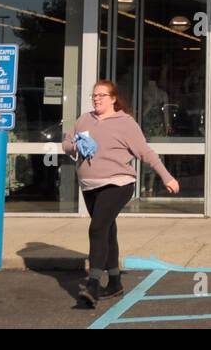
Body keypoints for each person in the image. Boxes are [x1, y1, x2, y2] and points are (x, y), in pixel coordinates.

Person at [63, 80, 180, 307]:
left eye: (102, 96)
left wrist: (167, 177)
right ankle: (115, 282)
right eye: (94, 95)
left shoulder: (125, 123)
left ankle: (94, 284)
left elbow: (145, 152)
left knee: (97, 228)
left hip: (118, 183)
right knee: (107, 230)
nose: (97, 99)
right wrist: (76, 146)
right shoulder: (84, 119)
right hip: (89, 185)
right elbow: (66, 143)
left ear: (113, 98)